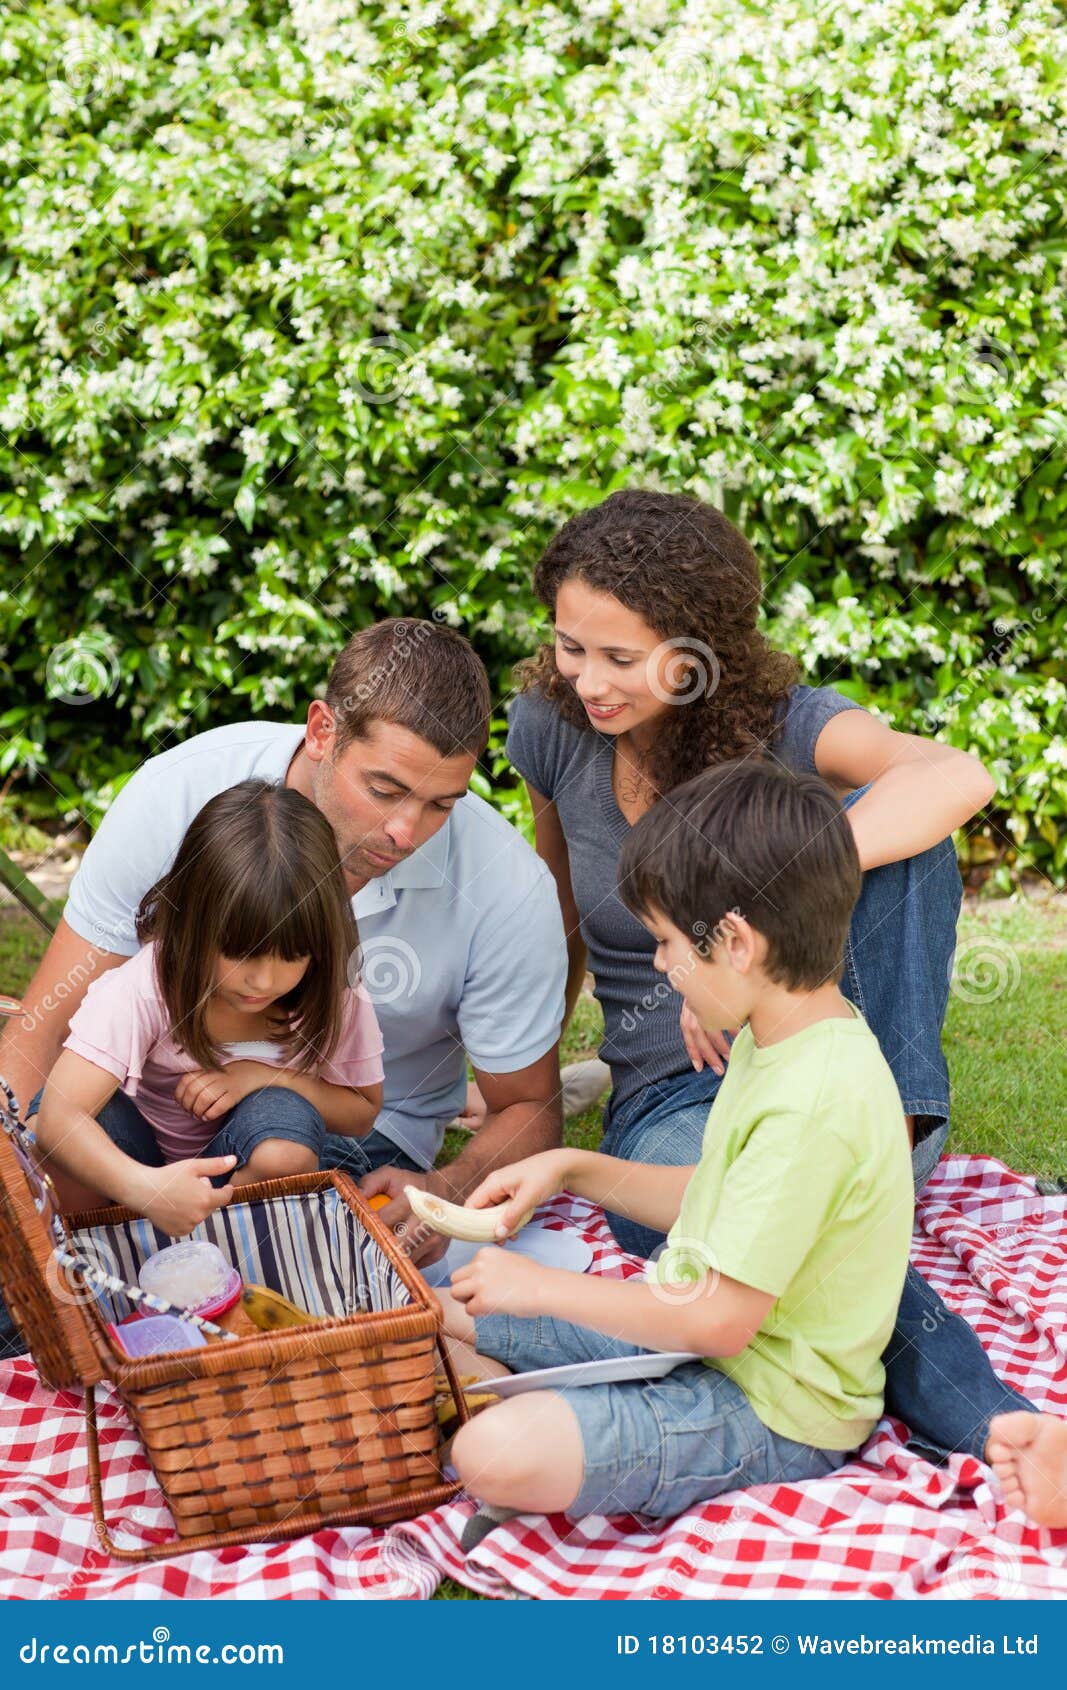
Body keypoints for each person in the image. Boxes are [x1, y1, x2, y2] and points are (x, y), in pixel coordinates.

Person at [501, 487, 1067, 1528]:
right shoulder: (549, 726)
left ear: (695, 648)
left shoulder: (781, 724)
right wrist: (527, 1093)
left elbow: (956, 773)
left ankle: (998, 1415)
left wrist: (754, 909)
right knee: (753, 1223)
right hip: (670, 1088)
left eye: (618, 658)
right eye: (568, 646)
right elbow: (554, 916)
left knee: (899, 831)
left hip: (810, 1051)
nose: (584, 679)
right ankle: (881, 1228)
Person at [0, 617, 566, 1289]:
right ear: (322, 731)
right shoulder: (180, 792)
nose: (403, 831)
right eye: (384, 789)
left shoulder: (504, 884)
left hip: (354, 1147)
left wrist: (442, 1187)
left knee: (288, 1165)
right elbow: (41, 1039)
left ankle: (254, 1295)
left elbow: (529, 1107)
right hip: (129, 1137)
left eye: (441, 804)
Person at [438, 760, 915, 1525]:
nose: (660, 966)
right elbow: (718, 1197)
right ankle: (487, 1371)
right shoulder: (780, 1033)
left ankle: (491, 1384)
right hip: (696, 1341)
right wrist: (571, 1167)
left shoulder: (812, 1102)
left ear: (733, 942)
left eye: (664, 944)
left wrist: (539, 1288)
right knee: (442, 1314)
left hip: (771, 1406)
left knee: (490, 1456)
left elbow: (717, 1319)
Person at [32, 781, 384, 1236]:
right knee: (61, 1135)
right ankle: (100, 1258)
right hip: (126, 1171)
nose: (263, 981)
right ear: (192, 924)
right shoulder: (150, 984)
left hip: (229, 1182)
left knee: (285, 1144)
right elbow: (57, 1118)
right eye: (241, 953)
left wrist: (262, 1075)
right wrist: (147, 1190)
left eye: (292, 955)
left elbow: (361, 1112)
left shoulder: (334, 988)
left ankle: (222, 1262)